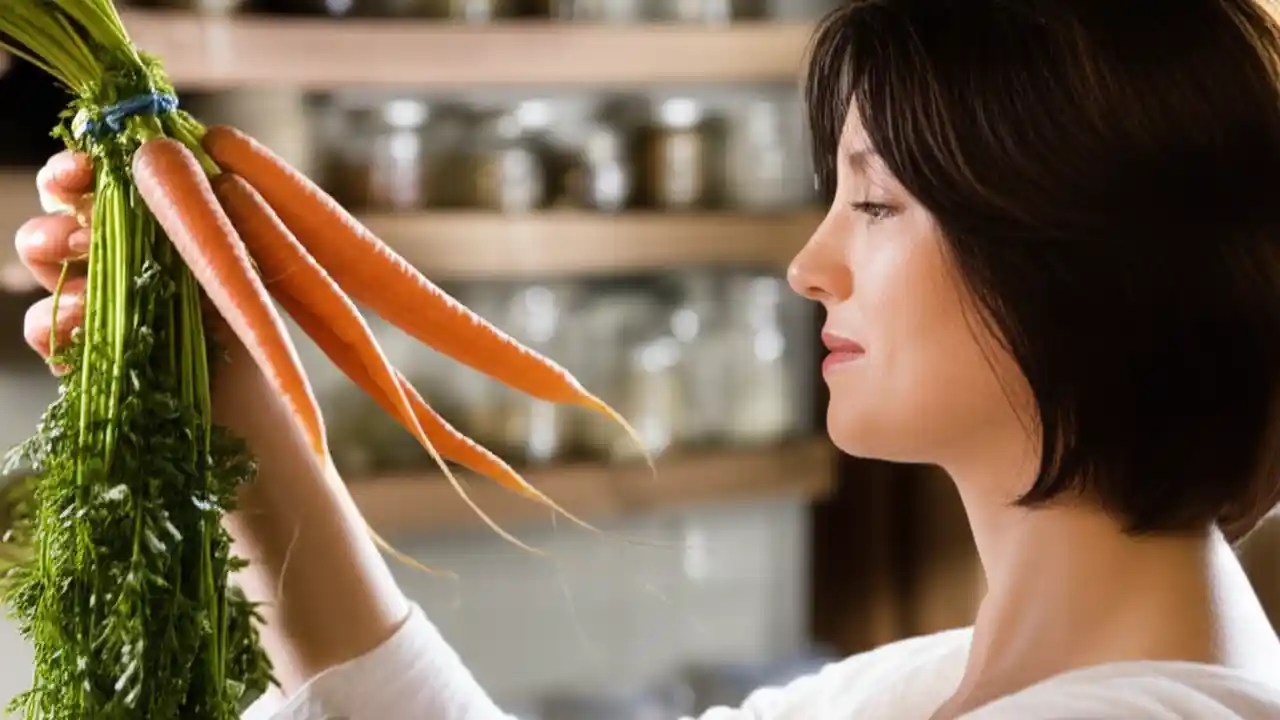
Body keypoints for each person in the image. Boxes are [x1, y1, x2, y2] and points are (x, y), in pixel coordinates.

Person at [13, 0, 1280, 717]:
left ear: (1077, 254)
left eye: (874, 203)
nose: (808, 266)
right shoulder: (916, 687)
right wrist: (246, 420)